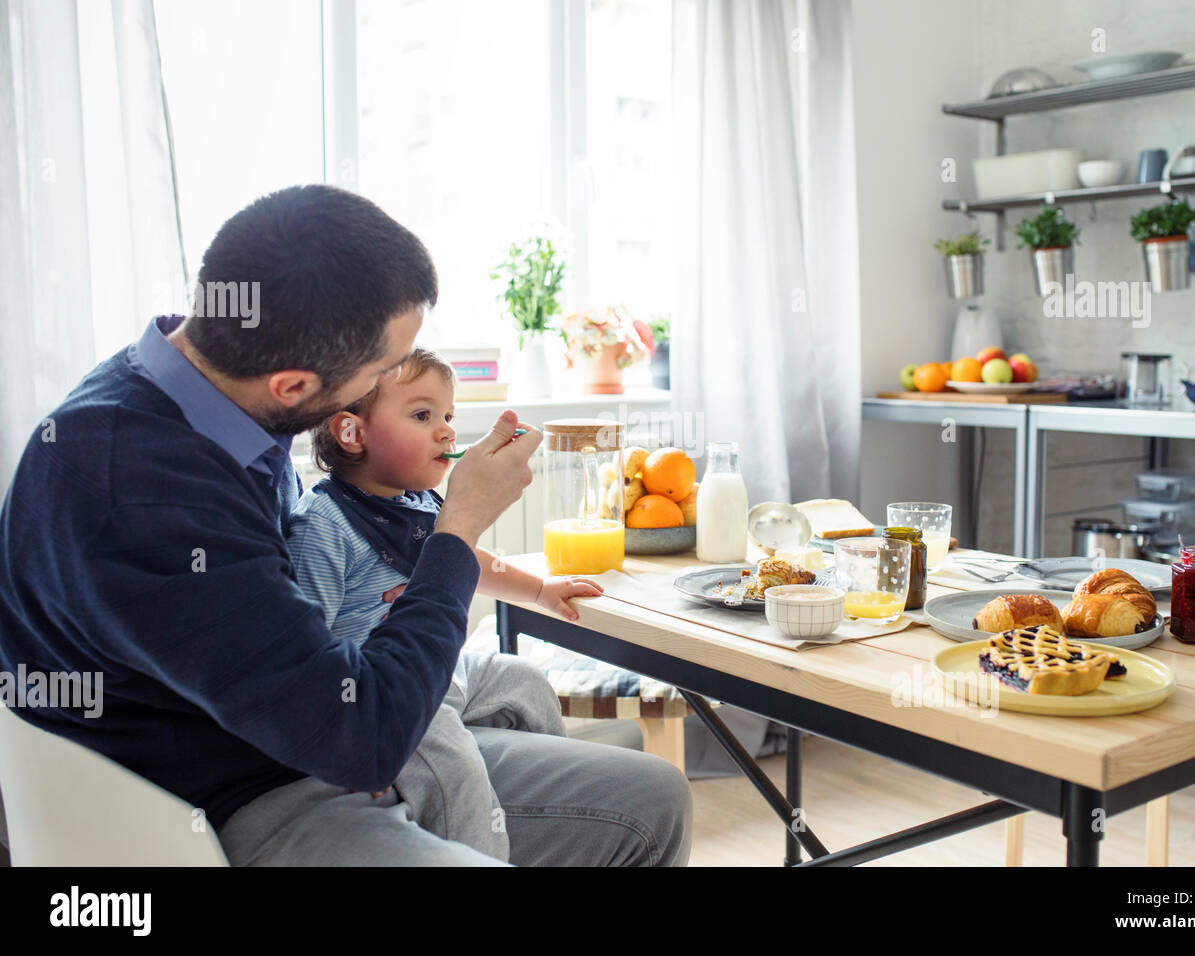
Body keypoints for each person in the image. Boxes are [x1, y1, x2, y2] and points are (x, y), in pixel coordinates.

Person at [0, 184, 692, 866]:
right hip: (224, 801)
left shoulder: (202, 386)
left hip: (296, 732)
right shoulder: (147, 496)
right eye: (382, 369)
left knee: (652, 798)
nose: (388, 383)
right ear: (296, 389)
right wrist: (459, 528)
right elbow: (362, 735)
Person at [287, 347, 601, 861]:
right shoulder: (322, 526)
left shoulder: (415, 501)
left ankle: (554, 795)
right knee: (455, 770)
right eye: (422, 415)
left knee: (524, 679)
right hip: (386, 701)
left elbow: (465, 556)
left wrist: (541, 591)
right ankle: (483, 850)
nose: (448, 431)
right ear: (352, 433)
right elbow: (307, 647)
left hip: (440, 670)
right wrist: (350, 748)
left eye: (449, 416)